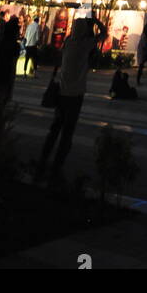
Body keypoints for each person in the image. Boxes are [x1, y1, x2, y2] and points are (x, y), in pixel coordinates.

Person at [36, 18, 96, 183]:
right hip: (75, 95)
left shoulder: (68, 42)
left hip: (62, 92)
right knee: (67, 133)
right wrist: (96, 22)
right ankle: (57, 166)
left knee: (55, 129)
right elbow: (102, 35)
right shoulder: (85, 46)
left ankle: (43, 160)